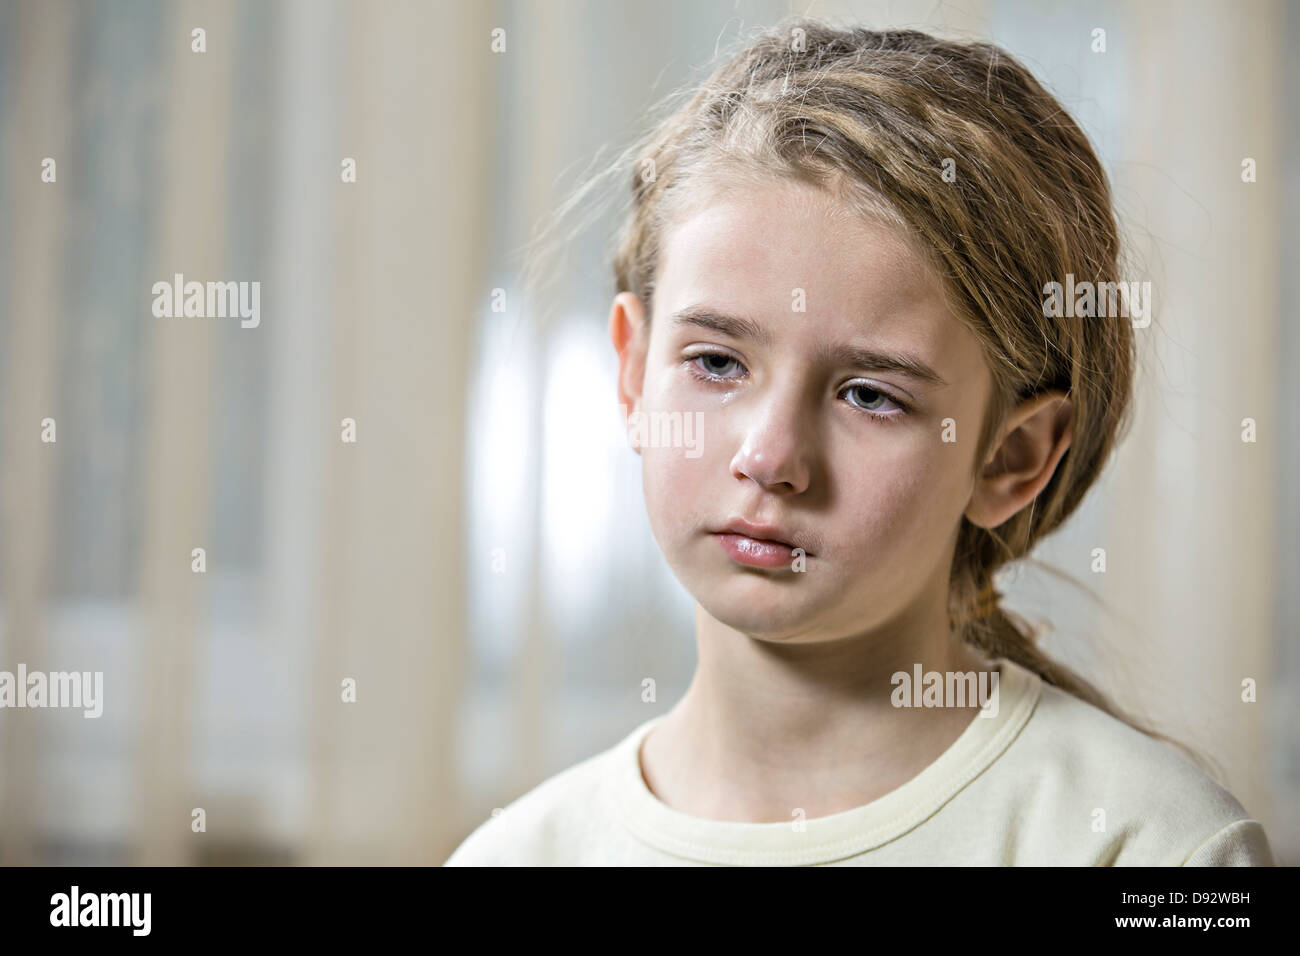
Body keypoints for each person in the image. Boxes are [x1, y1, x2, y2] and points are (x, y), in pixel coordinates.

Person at [445, 18, 1274, 866]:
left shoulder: (1155, 849)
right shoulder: (518, 854)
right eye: (719, 363)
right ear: (632, 373)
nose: (769, 459)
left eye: (871, 395)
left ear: (1011, 458)